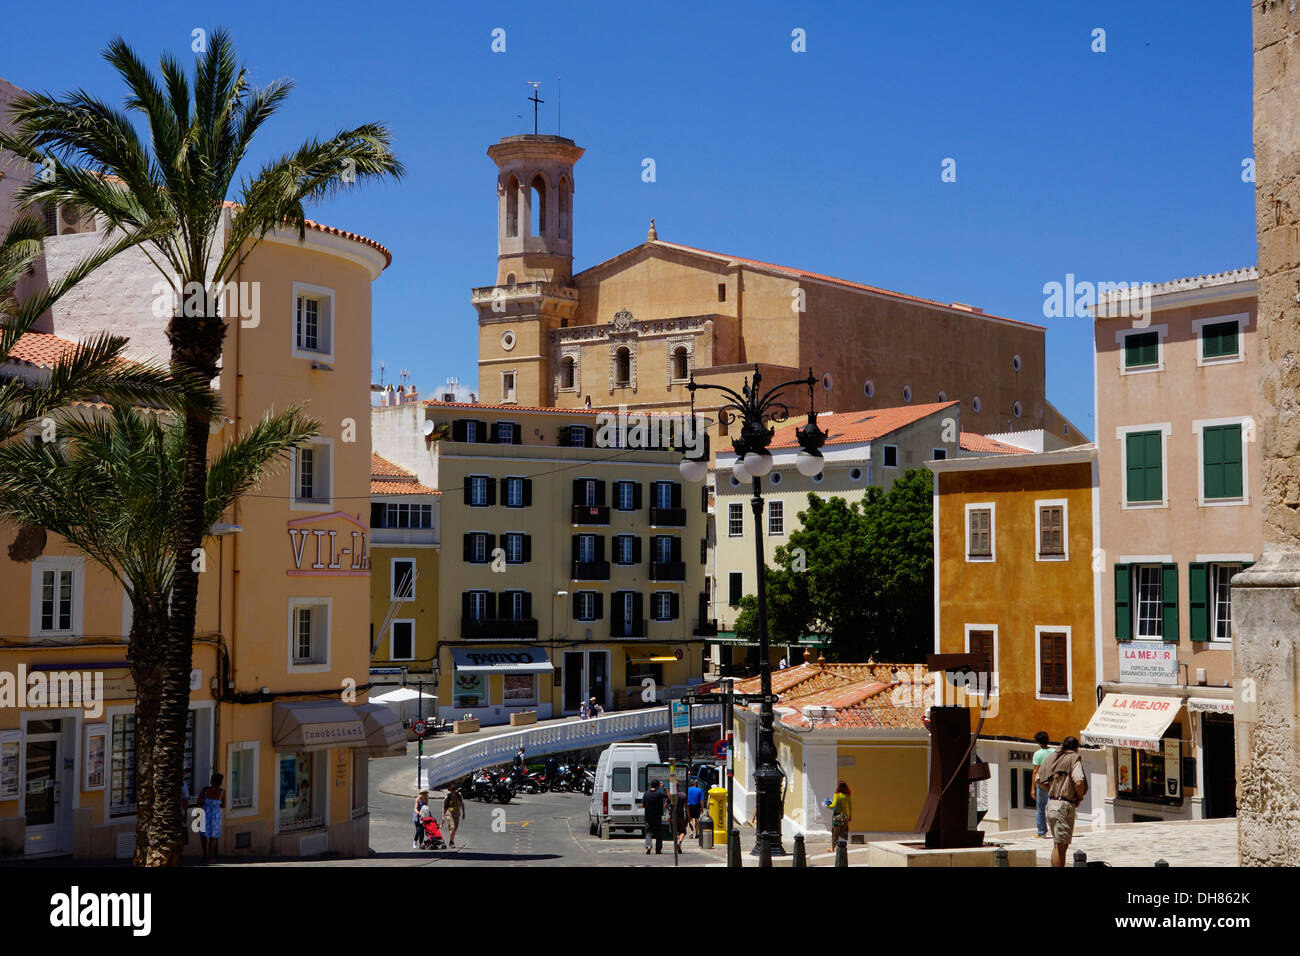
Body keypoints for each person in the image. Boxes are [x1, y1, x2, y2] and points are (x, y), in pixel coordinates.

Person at [1040, 736, 1089, 867]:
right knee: (1062, 847)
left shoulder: (1053, 757)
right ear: (1076, 748)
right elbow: (1078, 781)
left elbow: (1039, 779)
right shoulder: (1073, 758)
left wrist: (1052, 788)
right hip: (1064, 804)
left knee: (1057, 844)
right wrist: (1079, 797)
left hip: (1051, 804)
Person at [196, 773, 225, 863]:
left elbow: (198, 801)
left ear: (213, 780)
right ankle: (210, 856)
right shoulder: (222, 792)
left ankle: (205, 854)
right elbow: (223, 805)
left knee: (203, 835)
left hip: (205, 813)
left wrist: (205, 804)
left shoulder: (205, 790)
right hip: (216, 816)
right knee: (213, 837)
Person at [1030, 730, 1052, 839]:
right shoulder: (1054, 752)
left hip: (1041, 782)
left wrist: (1032, 788)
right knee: (1052, 806)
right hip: (1053, 782)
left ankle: (1041, 832)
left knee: (1040, 808)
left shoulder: (1037, 754)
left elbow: (1035, 771)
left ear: (1038, 742)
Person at [826, 780, 852, 853]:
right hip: (845, 816)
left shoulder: (837, 795)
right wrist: (850, 816)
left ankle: (833, 849)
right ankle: (844, 848)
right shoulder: (848, 795)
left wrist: (827, 806)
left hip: (837, 816)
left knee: (835, 832)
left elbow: (833, 805)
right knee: (844, 832)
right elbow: (850, 807)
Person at [643, 779, 667, 855]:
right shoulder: (659, 794)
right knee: (658, 833)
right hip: (657, 816)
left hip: (648, 816)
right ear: (658, 786)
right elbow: (669, 796)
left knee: (648, 832)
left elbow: (643, 805)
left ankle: (648, 845)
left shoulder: (646, 794)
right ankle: (658, 850)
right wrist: (664, 787)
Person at [442, 783, 466, 847]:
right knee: (452, 828)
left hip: (457, 814)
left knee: (454, 829)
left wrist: (464, 813)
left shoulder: (459, 795)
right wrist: (443, 817)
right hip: (449, 814)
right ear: (450, 790)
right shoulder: (447, 797)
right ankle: (452, 842)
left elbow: (462, 804)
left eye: (454, 789)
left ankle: (451, 841)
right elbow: (444, 807)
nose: (453, 790)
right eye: (451, 789)